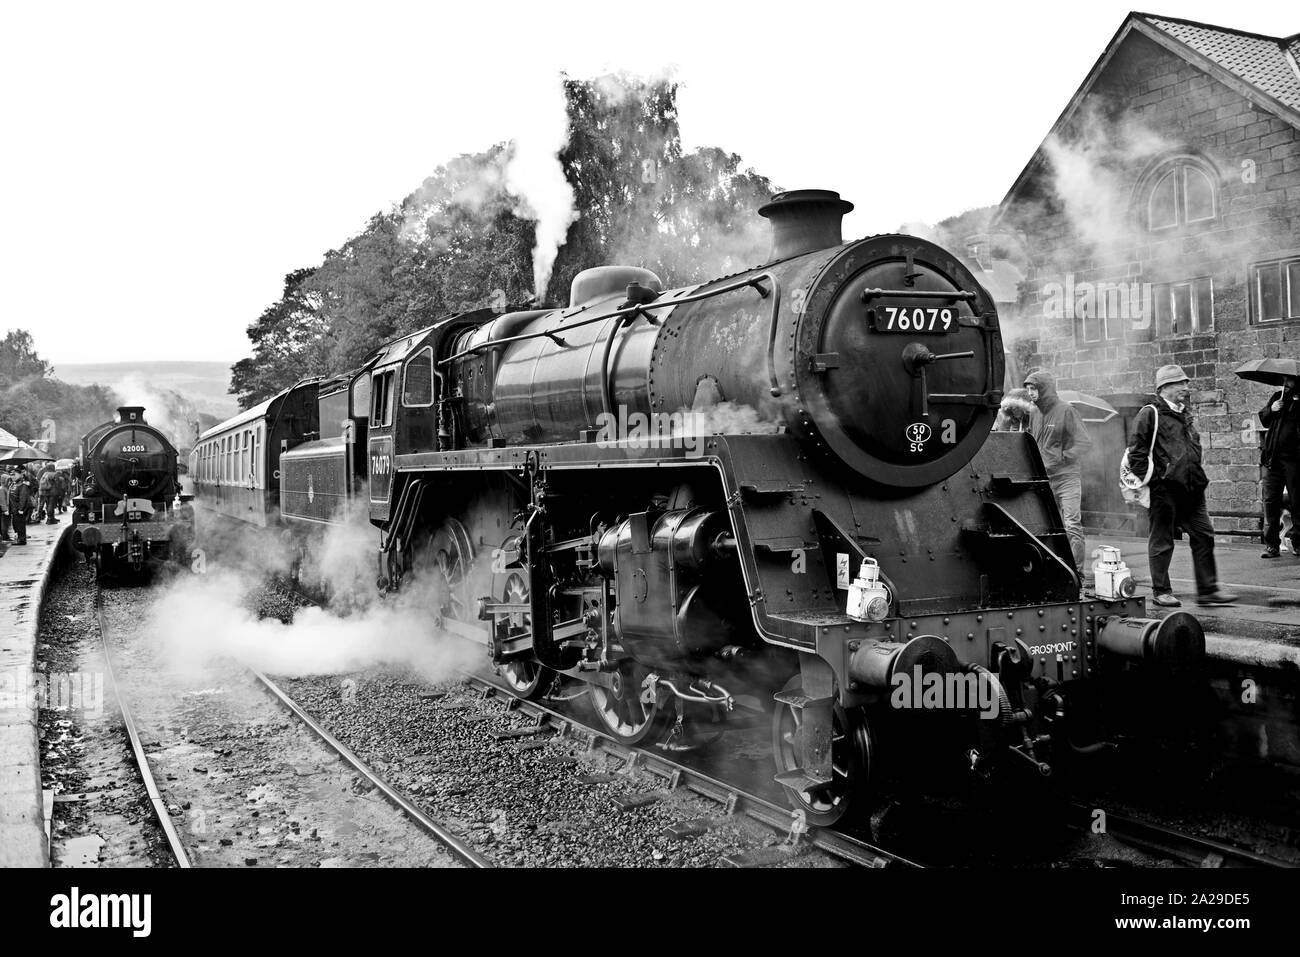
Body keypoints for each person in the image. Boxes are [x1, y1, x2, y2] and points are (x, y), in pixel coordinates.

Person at [1126, 364, 1236, 607]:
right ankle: (1161, 591)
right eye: (1180, 383)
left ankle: (1208, 590)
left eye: (1186, 383)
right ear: (1164, 387)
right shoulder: (1150, 413)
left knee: (1204, 535)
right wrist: (1156, 482)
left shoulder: (1184, 413)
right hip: (1165, 490)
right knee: (1162, 540)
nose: (1186, 387)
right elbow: (1136, 455)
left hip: (1192, 488)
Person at [1024, 369, 1092, 574]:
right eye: (1028, 388)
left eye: (1034, 388)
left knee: (1072, 524)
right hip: (1044, 479)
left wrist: (1063, 457)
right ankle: (1055, 569)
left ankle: (1077, 572)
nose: (1030, 392)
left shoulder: (1066, 411)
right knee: (1048, 526)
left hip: (1067, 477)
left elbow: (1085, 443)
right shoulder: (1034, 413)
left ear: (1044, 388)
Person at [1258, 375, 1300, 558]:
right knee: (1271, 501)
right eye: (1284, 379)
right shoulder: (1278, 397)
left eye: (1288, 379)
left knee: (1297, 500)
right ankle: (1272, 545)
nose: (1285, 382)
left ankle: (1298, 544)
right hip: (1273, 458)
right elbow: (1264, 419)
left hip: (1294, 460)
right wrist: (1271, 409)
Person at [11, 471, 32, 545]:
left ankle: (22, 539)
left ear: (20, 475)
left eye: (14, 475)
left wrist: (21, 509)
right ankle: (20, 538)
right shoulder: (14, 485)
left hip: (19, 509)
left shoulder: (23, 486)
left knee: (20, 524)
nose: (12, 477)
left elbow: (23, 498)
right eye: (12, 475)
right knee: (16, 524)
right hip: (14, 509)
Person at [0, 469, 11, 542]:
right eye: (8, 480)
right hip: (5, 509)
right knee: (5, 523)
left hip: (7, 508)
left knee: (5, 523)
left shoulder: (6, 488)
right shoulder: (2, 489)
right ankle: (5, 536)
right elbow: (2, 500)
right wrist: (5, 510)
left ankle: (5, 535)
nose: (9, 482)